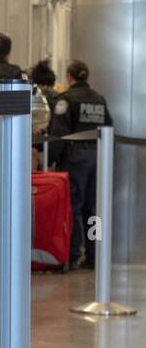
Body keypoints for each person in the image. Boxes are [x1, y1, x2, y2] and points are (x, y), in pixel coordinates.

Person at [51, 60, 112, 269]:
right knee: (94, 208)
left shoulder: (65, 100)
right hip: (99, 156)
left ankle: (74, 253)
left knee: (73, 207)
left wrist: (53, 159)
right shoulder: (100, 99)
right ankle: (95, 254)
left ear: (69, 77)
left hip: (75, 158)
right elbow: (109, 127)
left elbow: (58, 133)